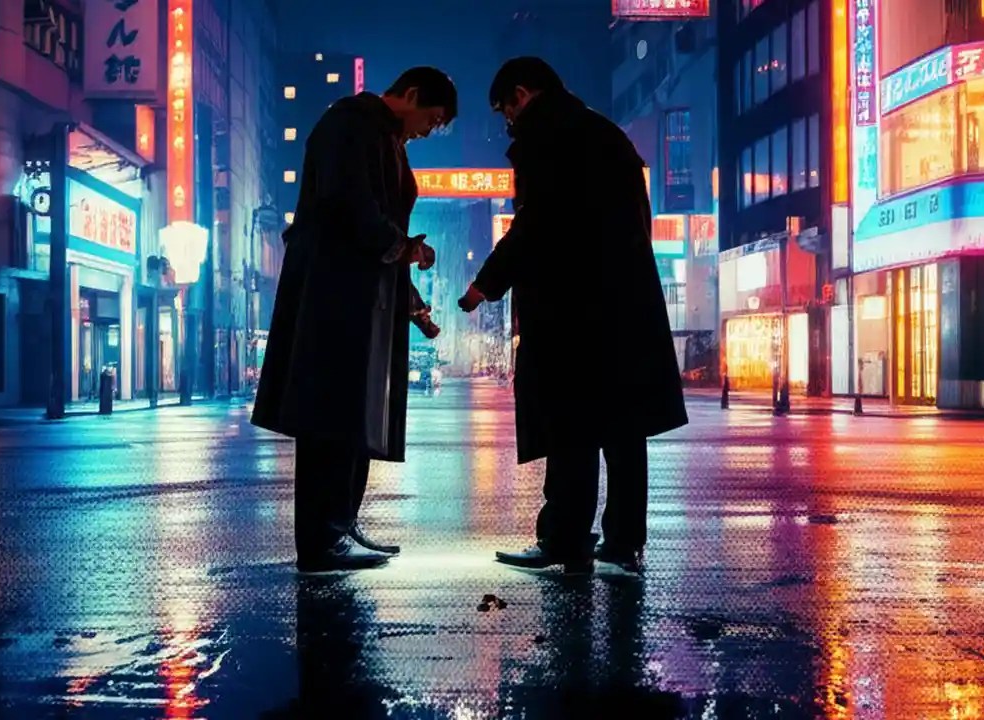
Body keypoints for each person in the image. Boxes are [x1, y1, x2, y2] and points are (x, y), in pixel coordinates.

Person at [459, 57, 687, 574]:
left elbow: (535, 223)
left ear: (522, 94)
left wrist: (485, 285)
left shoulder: (547, 138)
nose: (508, 124)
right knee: (622, 430)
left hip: (570, 305)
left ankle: (565, 536)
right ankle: (623, 541)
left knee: (569, 426)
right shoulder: (606, 134)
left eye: (506, 111)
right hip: (623, 302)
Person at [252, 66, 457, 573]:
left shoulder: (382, 135)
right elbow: (350, 204)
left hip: (362, 292)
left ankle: (341, 524)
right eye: (431, 119)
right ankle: (322, 539)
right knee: (331, 413)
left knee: (357, 412)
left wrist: (408, 293)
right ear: (410, 96)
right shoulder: (349, 123)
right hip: (334, 293)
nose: (429, 131)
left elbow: (377, 219)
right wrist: (402, 248)